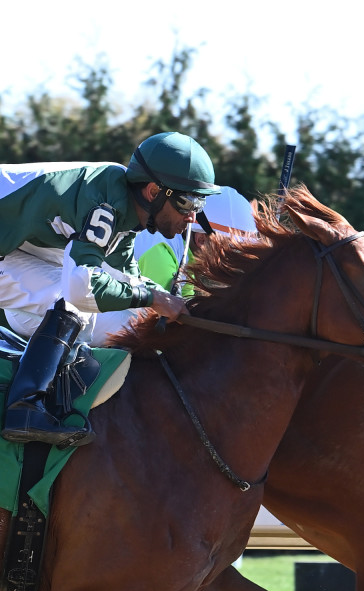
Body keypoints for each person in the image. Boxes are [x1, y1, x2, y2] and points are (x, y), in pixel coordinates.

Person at [0, 131, 219, 445]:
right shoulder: (104, 203)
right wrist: (154, 298)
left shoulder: (123, 205)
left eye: (200, 203)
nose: (193, 216)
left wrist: (172, 304)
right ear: (154, 191)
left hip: (14, 249)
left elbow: (126, 276)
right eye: (188, 202)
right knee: (74, 299)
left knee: (109, 313)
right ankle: (25, 408)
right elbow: (82, 288)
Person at [91, 184, 258, 341]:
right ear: (201, 239)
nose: (234, 262)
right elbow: (159, 321)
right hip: (89, 308)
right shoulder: (161, 255)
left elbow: (187, 307)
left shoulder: (186, 253)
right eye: (231, 252)